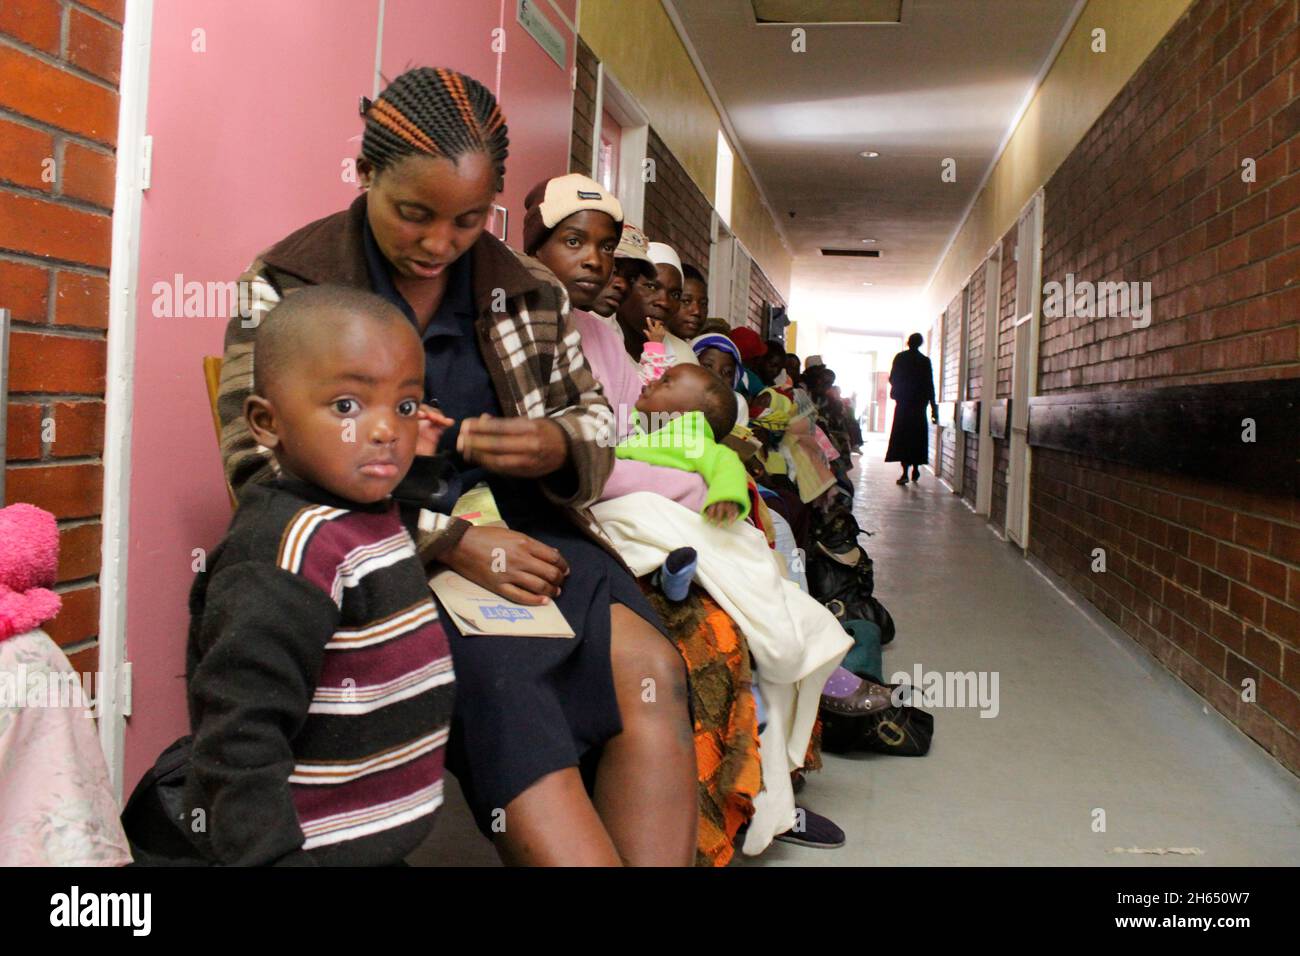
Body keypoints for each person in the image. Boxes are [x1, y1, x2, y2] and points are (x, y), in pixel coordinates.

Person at [217, 67, 696, 867]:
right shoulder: (291, 286)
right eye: (414, 214)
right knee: (509, 684)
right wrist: (449, 542)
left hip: (529, 534)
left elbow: (592, 425)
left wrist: (557, 447)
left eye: (469, 220)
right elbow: (260, 472)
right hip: (376, 551)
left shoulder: (525, 288)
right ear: (365, 173)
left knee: (652, 673)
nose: (440, 244)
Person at [187, 287, 457, 866]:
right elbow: (238, 737)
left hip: (369, 841)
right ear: (266, 421)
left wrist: (423, 463)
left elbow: (387, 522)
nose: (386, 429)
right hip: (309, 850)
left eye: (405, 406)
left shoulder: (356, 505)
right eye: (346, 406)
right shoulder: (281, 555)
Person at [886, 332, 939, 485]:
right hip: (919, 406)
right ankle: (915, 467)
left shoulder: (900, 358)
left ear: (908, 343)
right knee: (917, 437)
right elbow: (930, 385)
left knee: (903, 437)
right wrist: (933, 407)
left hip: (904, 404)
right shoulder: (924, 361)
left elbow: (893, 378)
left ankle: (904, 472)